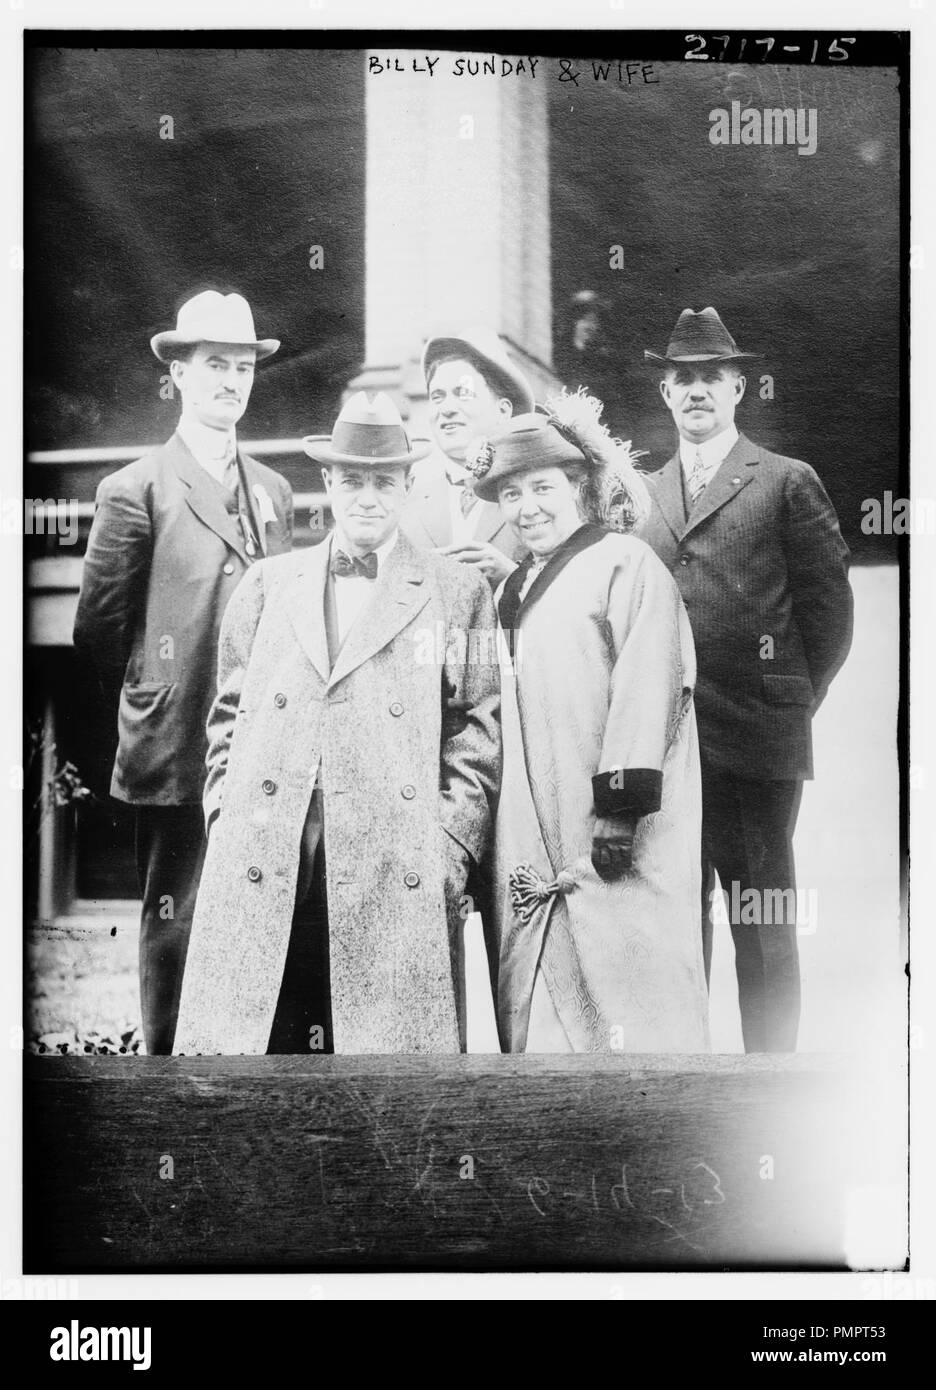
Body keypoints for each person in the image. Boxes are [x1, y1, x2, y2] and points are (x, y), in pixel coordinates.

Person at [172, 392, 502, 1055]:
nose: (368, 497)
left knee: (383, 1074)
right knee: (263, 1054)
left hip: (392, 863)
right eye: (353, 480)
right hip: (271, 854)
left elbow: (477, 732)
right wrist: (225, 816)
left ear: (409, 486)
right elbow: (227, 718)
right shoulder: (268, 586)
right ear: (328, 483)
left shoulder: (457, 593)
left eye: (384, 481)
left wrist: (447, 850)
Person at [73, 289, 293, 1055]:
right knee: (177, 914)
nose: (233, 382)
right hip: (177, 740)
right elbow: (98, 630)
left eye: (243, 367)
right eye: (216, 366)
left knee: (258, 906)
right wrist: (152, 697)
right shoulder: (134, 489)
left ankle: (240, 1064)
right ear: (180, 375)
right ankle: (165, 1075)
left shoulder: (273, 491)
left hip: (260, 739)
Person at [639, 307, 854, 1052]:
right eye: (682, 379)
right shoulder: (644, 493)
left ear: (738, 389)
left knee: (761, 926)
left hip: (758, 748)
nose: (696, 390)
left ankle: (773, 1090)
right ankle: (690, 1089)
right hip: (671, 751)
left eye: (711, 378)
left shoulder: (787, 482)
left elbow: (829, 617)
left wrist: (784, 699)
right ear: (666, 394)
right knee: (676, 922)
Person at [472, 389, 710, 1053]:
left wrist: (620, 811)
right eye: (511, 495)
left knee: (634, 994)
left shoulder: (626, 565)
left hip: (614, 831)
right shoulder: (513, 588)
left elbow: (650, 686)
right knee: (551, 1005)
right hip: (535, 837)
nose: (528, 508)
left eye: (542, 487)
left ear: (578, 486)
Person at [401, 326, 534, 588]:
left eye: (463, 393)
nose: (447, 409)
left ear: (503, 410)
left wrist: (511, 577)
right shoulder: (408, 498)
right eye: (437, 397)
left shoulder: (535, 496)